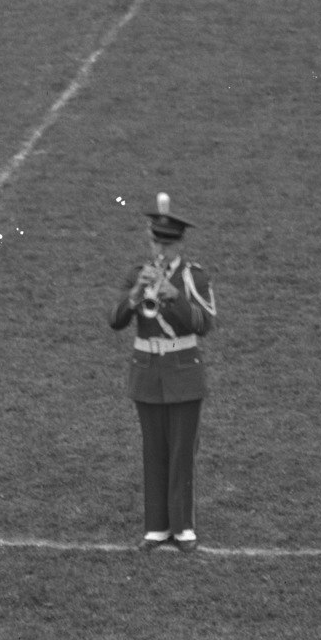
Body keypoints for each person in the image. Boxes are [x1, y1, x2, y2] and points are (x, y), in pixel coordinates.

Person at [111, 192, 215, 549]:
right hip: (147, 372)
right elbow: (115, 321)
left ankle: (182, 525)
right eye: (157, 242)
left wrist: (174, 296)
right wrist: (135, 296)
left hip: (184, 371)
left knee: (181, 450)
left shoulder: (194, 278)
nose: (161, 250)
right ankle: (156, 525)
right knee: (153, 448)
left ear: (179, 244)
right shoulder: (137, 274)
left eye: (168, 244)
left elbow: (203, 325)